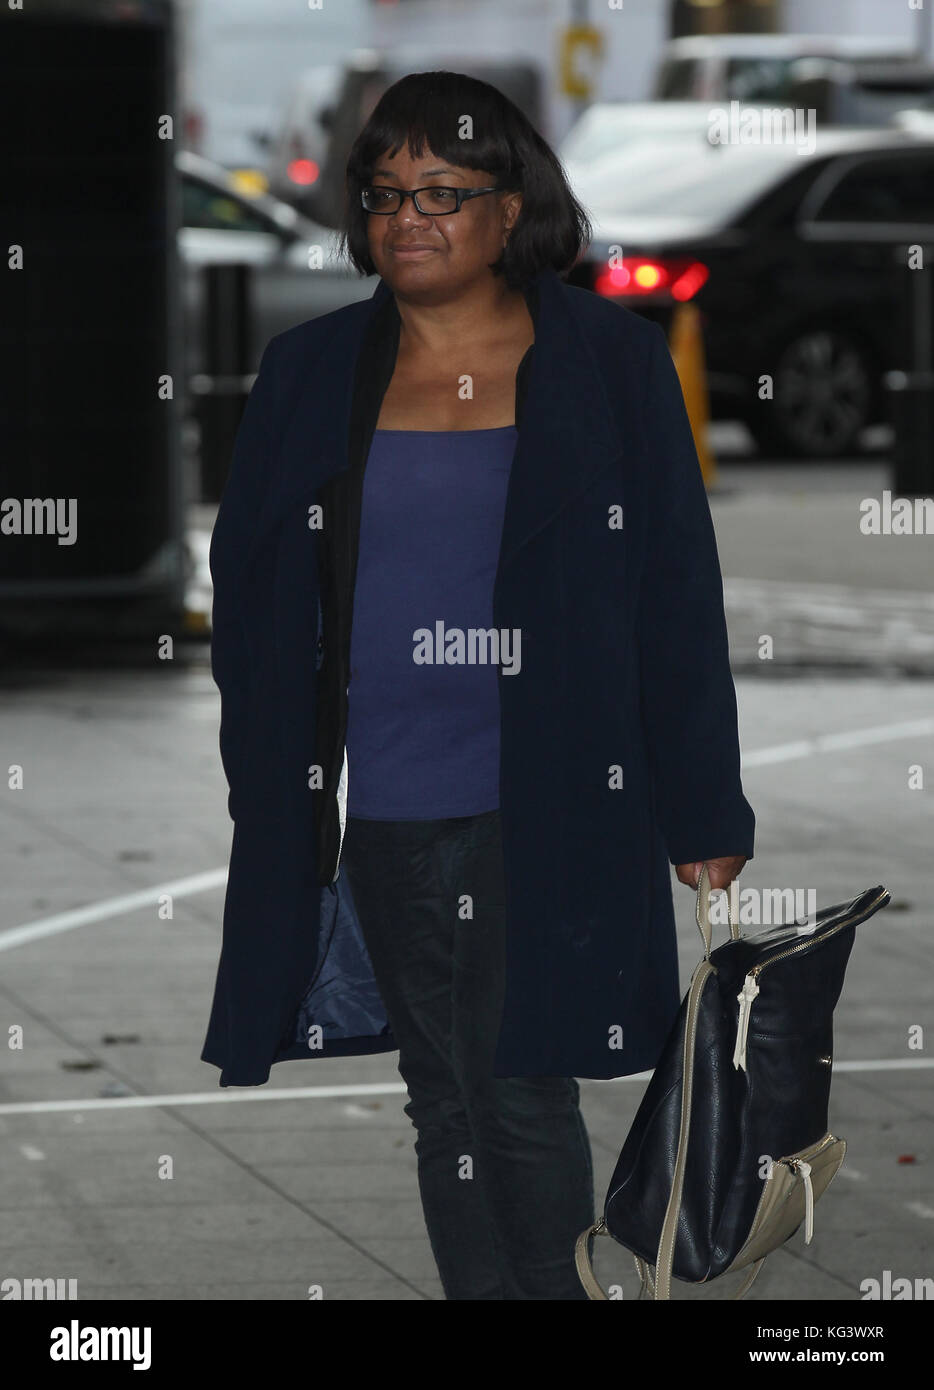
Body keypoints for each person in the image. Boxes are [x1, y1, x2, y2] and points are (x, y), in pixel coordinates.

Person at [201, 71, 755, 1302]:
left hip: (550, 795)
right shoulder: (310, 370)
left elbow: (673, 590)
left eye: (445, 194)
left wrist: (704, 812)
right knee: (441, 1095)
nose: (409, 217)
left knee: (513, 1086)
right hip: (387, 801)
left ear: (513, 211)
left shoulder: (607, 362)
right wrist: (273, 792)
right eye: (386, 193)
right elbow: (251, 596)